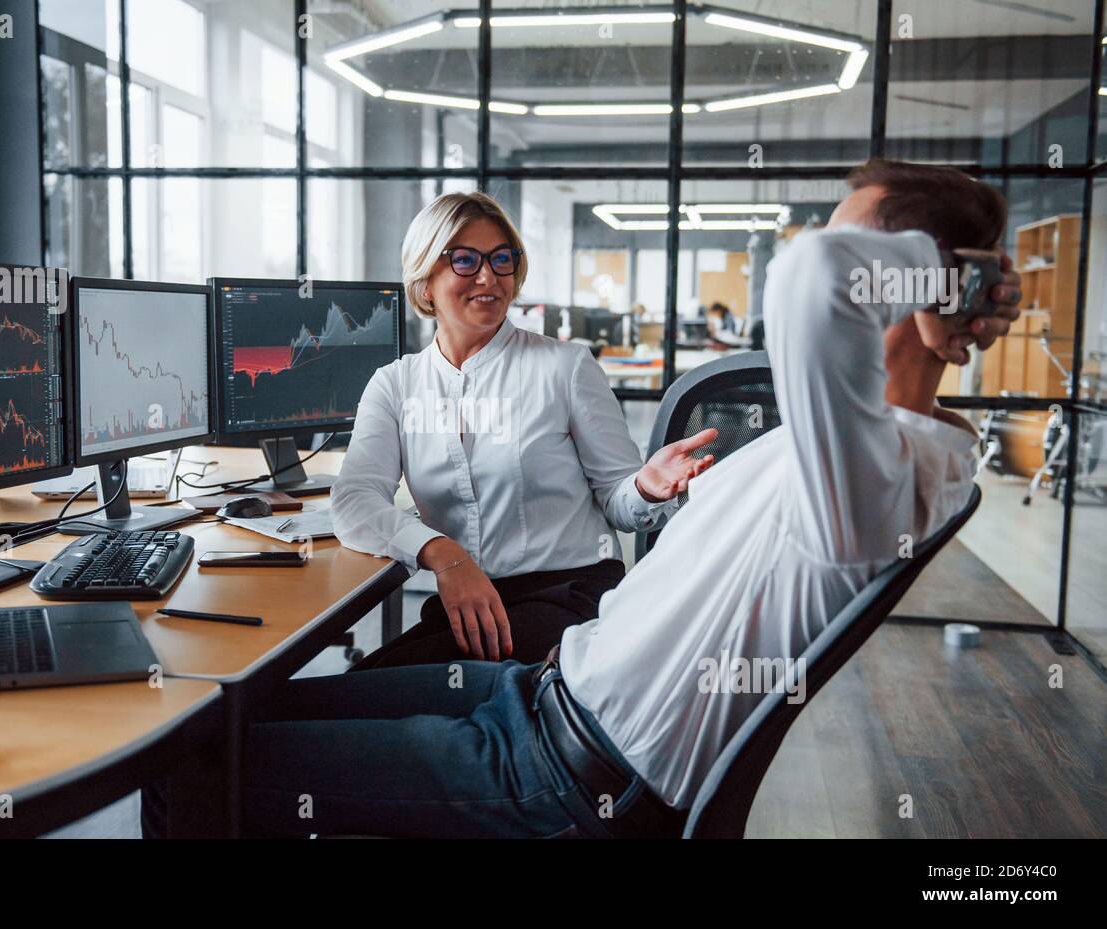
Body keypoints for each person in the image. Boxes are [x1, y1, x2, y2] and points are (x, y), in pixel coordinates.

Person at [239, 159, 1020, 838]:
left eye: (866, 249)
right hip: (544, 686)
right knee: (242, 716)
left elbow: (809, 278)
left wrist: (952, 282)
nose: (489, 277)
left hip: (563, 767)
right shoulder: (866, 446)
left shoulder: (877, 474)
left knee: (207, 761)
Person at [331, 192, 715, 669]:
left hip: (569, 598)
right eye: (465, 260)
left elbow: (619, 502)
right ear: (425, 281)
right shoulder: (396, 384)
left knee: (366, 693)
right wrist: (441, 553)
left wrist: (645, 489)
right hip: (464, 600)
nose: (489, 277)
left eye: (502, 259)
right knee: (362, 690)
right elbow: (353, 500)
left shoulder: (564, 367)